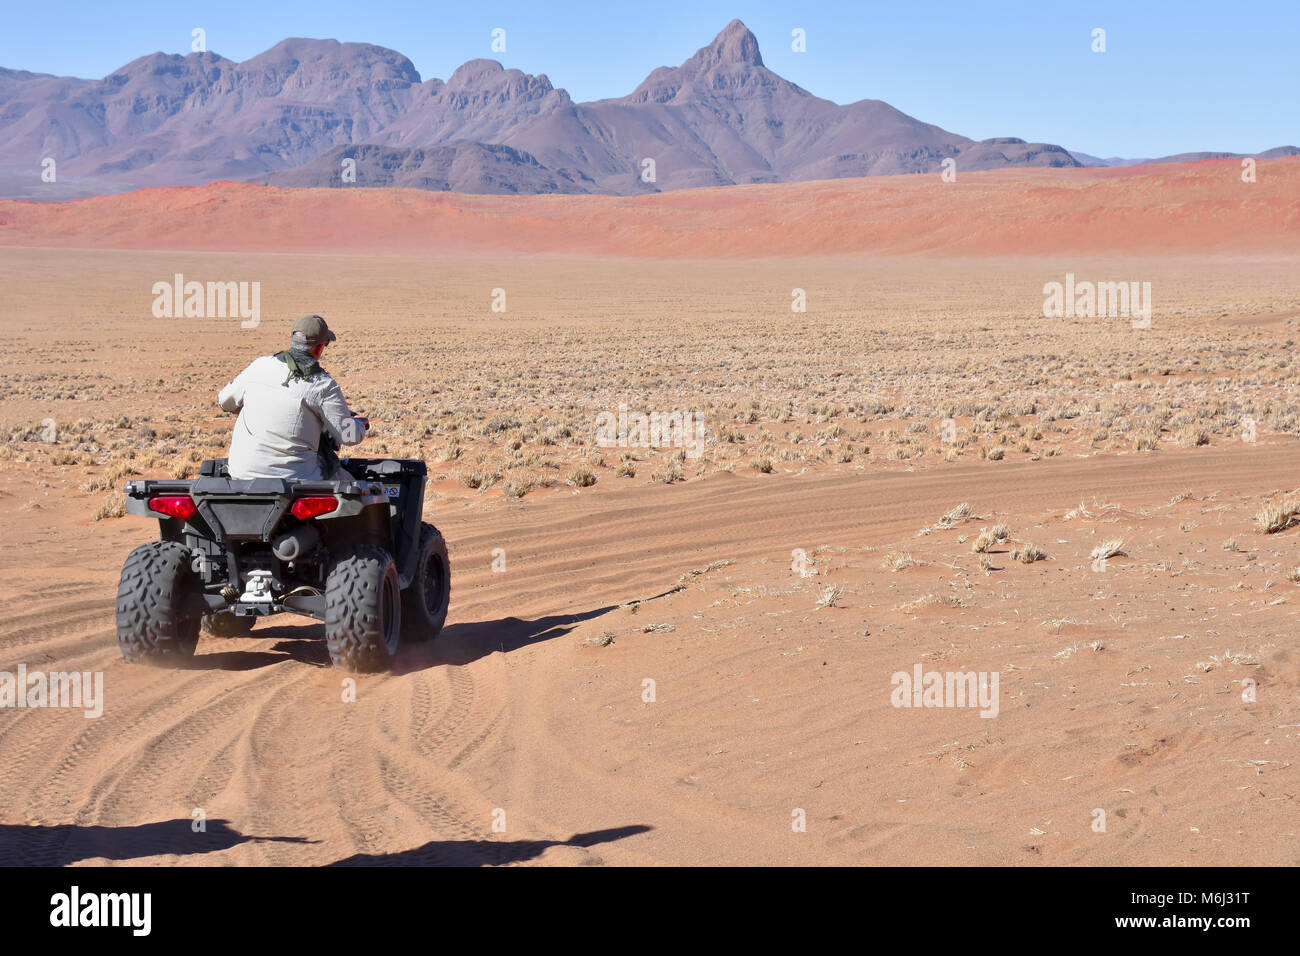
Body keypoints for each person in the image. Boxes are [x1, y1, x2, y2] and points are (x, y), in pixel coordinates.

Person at [217, 315, 368, 480]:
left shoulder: (259, 366)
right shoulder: (323, 385)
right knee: (354, 489)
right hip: (296, 477)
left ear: (292, 339)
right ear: (319, 348)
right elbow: (348, 436)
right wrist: (359, 424)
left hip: (242, 473)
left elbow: (225, 401)